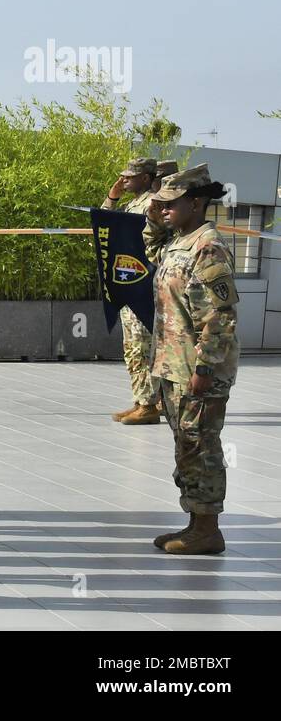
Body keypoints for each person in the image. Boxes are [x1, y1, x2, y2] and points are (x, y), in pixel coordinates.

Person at [148, 164, 237, 555]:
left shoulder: (208, 246)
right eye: (162, 203)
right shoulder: (178, 241)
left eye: (172, 203)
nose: (164, 208)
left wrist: (205, 367)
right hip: (174, 364)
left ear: (197, 204)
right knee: (186, 445)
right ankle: (194, 521)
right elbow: (150, 252)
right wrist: (153, 217)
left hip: (199, 369)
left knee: (201, 446)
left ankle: (208, 530)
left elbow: (220, 315)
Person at [103, 158, 163, 425]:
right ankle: (141, 400)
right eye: (123, 175)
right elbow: (104, 223)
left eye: (131, 176)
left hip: (144, 286)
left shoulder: (155, 204)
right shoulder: (132, 205)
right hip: (128, 280)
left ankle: (149, 405)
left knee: (141, 346)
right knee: (132, 347)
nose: (125, 179)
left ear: (148, 178)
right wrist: (112, 197)